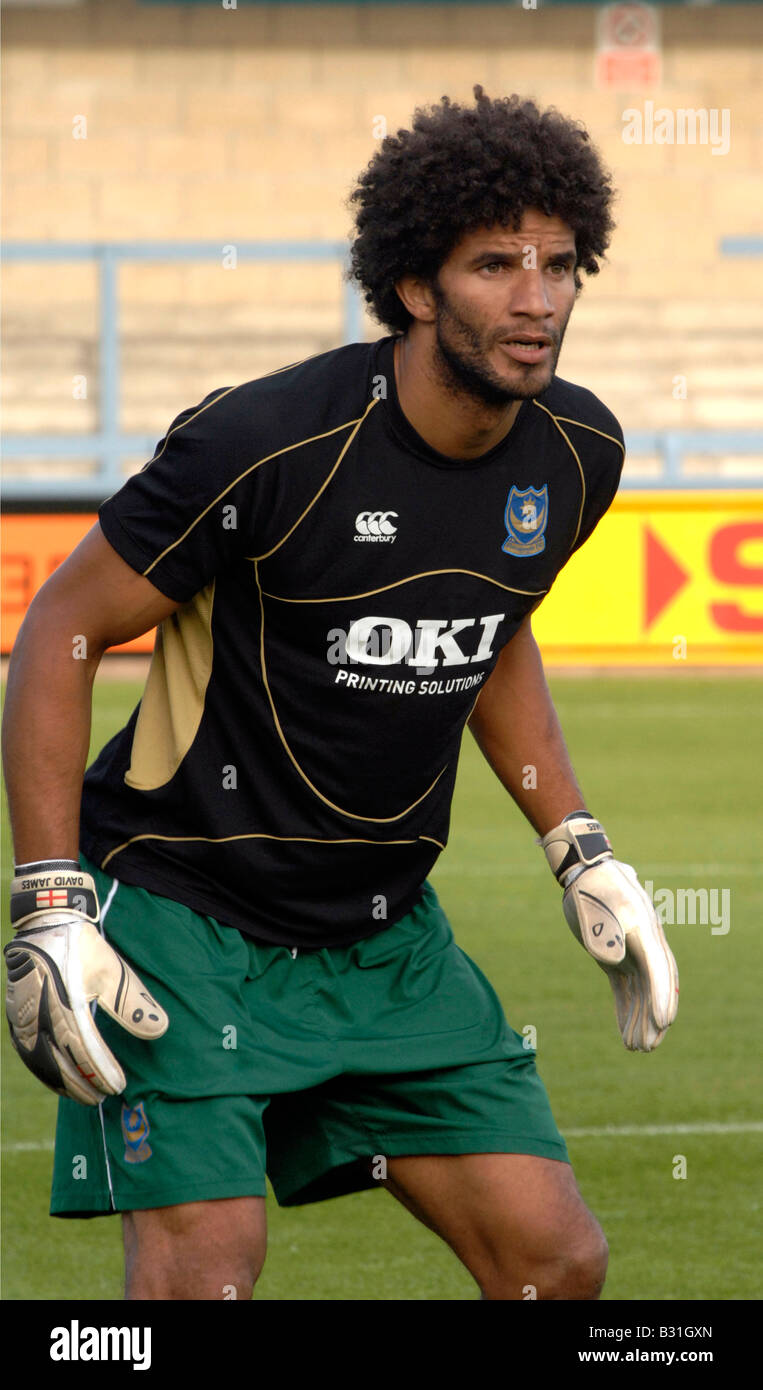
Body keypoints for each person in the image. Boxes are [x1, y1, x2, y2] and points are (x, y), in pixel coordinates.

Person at [3, 88, 678, 1302]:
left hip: (382, 934)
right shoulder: (263, 445)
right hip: (182, 917)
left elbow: (490, 624)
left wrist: (577, 845)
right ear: (415, 287)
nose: (537, 301)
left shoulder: (579, 451)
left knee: (555, 1263)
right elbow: (61, 626)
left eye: (560, 265)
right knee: (207, 1276)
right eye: (494, 266)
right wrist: (51, 903)